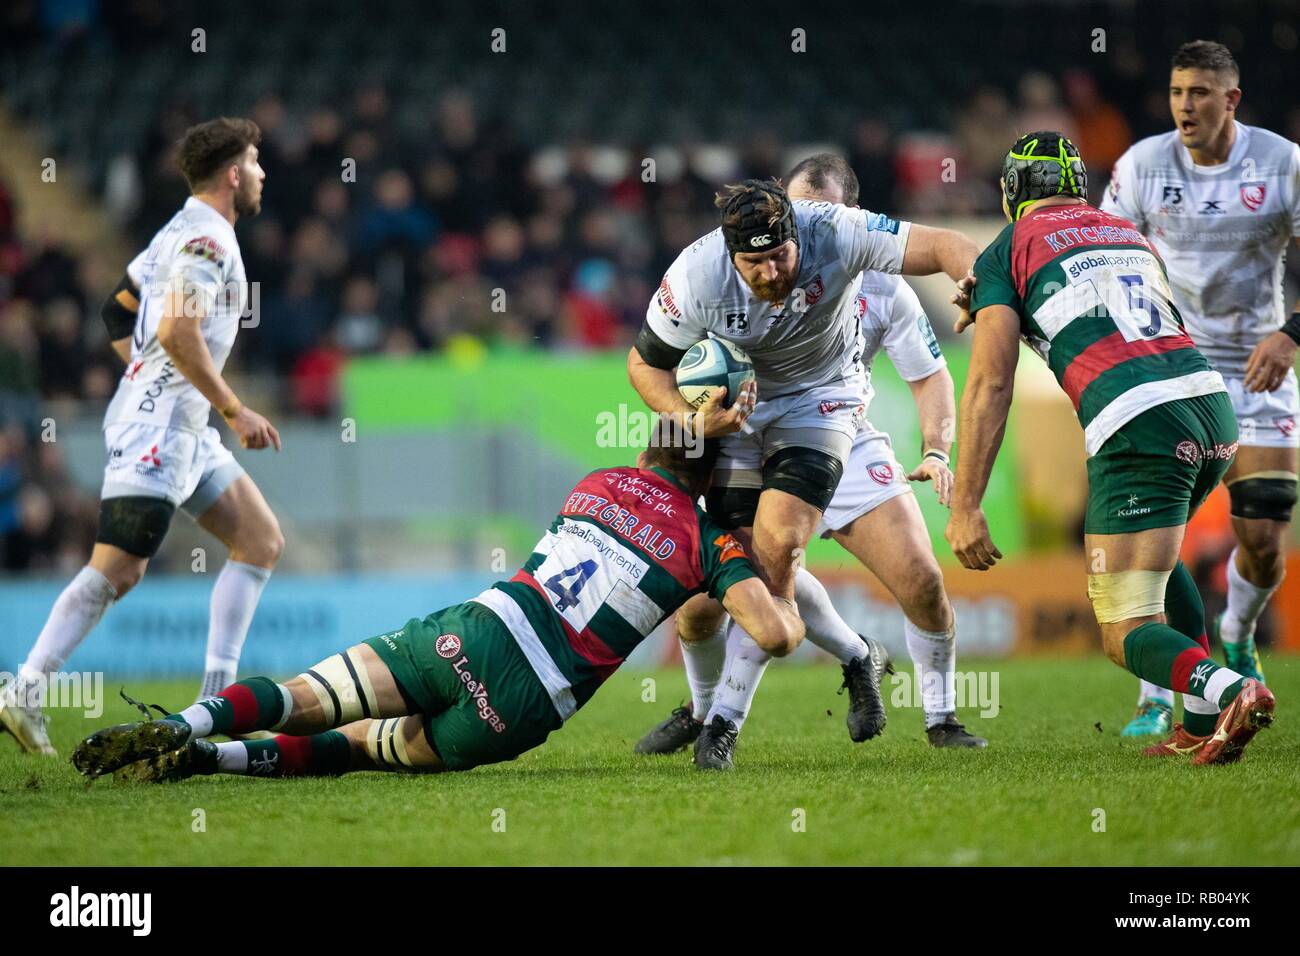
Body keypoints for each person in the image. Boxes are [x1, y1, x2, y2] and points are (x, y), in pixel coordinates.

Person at [70, 428, 804, 782]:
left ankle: (184, 724)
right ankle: (207, 761)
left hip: (479, 626)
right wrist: (776, 579)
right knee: (358, 749)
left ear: (651, 447)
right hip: (525, 704)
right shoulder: (709, 540)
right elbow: (771, 636)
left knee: (309, 695)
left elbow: (660, 463)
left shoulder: (599, 480)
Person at [634, 154, 985, 753]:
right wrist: (690, 420)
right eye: (756, 261)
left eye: (783, 251)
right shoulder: (696, 275)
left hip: (826, 411)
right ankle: (833, 663)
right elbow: (645, 364)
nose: (771, 271)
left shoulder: (854, 248)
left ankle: (939, 718)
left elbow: (937, 338)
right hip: (740, 418)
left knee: (904, 575)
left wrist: (979, 292)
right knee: (703, 597)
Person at [947, 130, 1274, 766]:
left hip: (1137, 424)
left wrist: (965, 505)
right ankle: (1200, 725)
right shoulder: (1125, 232)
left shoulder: (1007, 247)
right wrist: (994, 300)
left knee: (1121, 626)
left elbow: (989, 383)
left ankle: (1233, 691)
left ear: (1012, 193)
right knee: (1161, 559)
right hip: (1211, 410)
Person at [0, 118, 284, 757]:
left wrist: (148, 376)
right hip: (158, 430)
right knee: (120, 569)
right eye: (257, 162)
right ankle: (25, 687)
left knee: (259, 539)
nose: (263, 174)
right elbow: (181, 333)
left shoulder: (174, 231)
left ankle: (217, 704)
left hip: (180, 426)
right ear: (233, 174)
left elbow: (116, 311)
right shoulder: (209, 240)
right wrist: (233, 409)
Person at [1100, 40, 1300, 737]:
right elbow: (1103, 253)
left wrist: (1290, 334)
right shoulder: (1143, 166)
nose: (1186, 105)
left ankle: (1239, 633)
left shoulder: (1281, 163)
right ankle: (1159, 692)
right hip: (1173, 366)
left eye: (1201, 93)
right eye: (1178, 91)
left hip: (1260, 364)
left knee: (1267, 531)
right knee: (1158, 533)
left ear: (1231, 99)